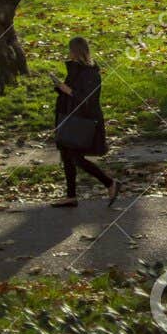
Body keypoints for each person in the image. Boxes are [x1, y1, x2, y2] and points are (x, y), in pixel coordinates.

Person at [51, 37, 118, 208]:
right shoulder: (76, 69)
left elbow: (87, 99)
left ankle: (110, 183)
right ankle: (71, 196)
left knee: (76, 158)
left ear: (76, 51)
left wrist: (68, 90)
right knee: (67, 156)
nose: (69, 53)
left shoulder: (90, 73)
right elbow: (73, 93)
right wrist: (61, 88)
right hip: (70, 117)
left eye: (71, 50)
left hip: (82, 120)